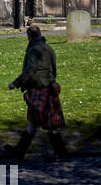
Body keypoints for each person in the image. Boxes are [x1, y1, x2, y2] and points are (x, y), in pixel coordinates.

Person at [6, 24, 68, 161]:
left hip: (39, 89)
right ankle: (19, 152)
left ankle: (61, 153)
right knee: (35, 123)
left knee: (45, 124)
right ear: (39, 35)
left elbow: (29, 71)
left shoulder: (34, 51)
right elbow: (54, 71)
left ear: (29, 36)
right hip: (49, 88)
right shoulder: (49, 49)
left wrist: (15, 83)